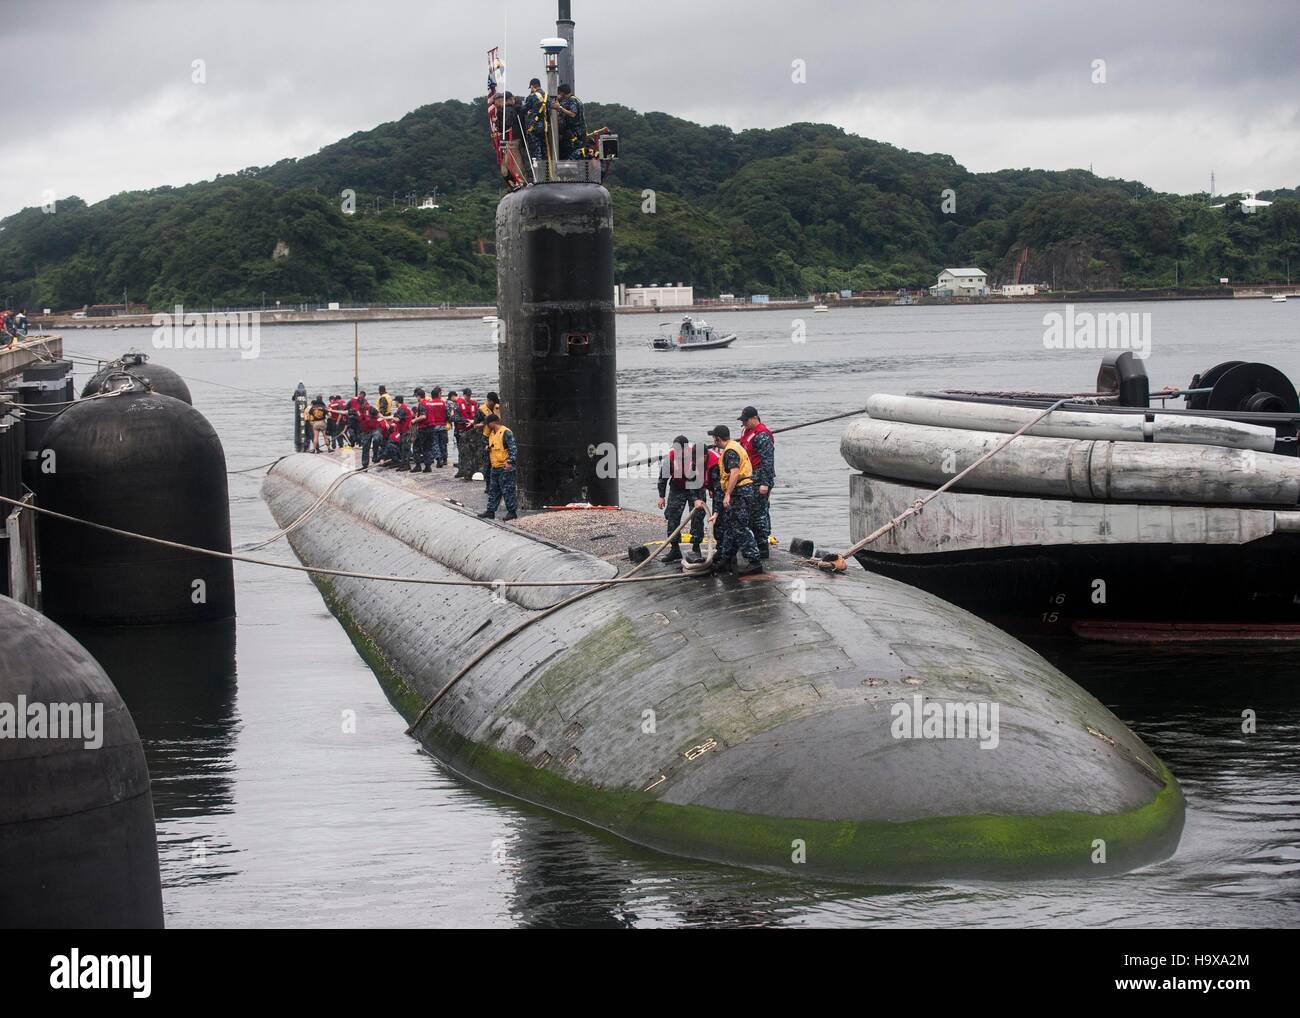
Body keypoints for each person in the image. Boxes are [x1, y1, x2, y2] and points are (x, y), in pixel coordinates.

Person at [707, 424, 762, 575]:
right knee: (730, 526)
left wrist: (727, 494)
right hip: (739, 492)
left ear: (718, 438)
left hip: (739, 492)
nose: (713, 441)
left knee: (739, 527)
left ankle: (754, 560)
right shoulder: (734, 446)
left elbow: (735, 473)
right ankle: (726, 558)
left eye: (714, 438)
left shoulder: (730, 451)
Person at [657, 435, 707, 563]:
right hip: (678, 488)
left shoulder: (694, 456)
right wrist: (661, 496)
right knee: (672, 516)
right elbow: (663, 477)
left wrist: (701, 497)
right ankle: (675, 549)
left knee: (697, 516)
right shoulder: (671, 457)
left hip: (695, 487)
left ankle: (696, 547)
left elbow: (701, 478)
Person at [737, 406, 776, 558]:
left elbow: (768, 461)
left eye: (746, 421)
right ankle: (752, 543)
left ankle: (762, 545)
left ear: (755, 418)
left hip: (760, 478)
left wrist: (765, 483)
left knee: (759, 513)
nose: (744, 424)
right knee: (749, 511)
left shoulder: (762, 435)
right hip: (748, 478)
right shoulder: (747, 432)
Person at [477, 414, 518, 521]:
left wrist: (510, 462)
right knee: (493, 490)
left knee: (508, 490)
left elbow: (513, 448)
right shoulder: (492, 434)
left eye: (488, 424)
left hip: (505, 467)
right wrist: (488, 448)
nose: (488, 426)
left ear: (493, 422)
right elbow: (496, 447)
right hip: (495, 467)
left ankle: (512, 512)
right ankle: (490, 511)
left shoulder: (506, 432)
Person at [473, 392, 501, 492]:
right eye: (491, 402)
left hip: (499, 437)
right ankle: (488, 486)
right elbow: (475, 424)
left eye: (494, 403)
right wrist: (483, 424)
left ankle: (498, 485)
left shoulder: (499, 407)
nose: (492, 404)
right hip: (486, 438)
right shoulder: (481, 410)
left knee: (499, 462)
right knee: (488, 463)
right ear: (488, 400)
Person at [553, 84, 585, 160]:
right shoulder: (575, 99)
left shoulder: (572, 100)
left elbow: (573, 114)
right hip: (578, 133)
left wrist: (559, 107)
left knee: (569, 157)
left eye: (559, 93)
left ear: (562, 93)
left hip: (574, 134)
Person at [422, 387, 450, 468]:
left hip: (433, 427)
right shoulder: (443, 403)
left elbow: (426, 416)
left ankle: (438, 459)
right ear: (438, 395)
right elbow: (448, 415)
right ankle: (444, 458)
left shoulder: (429, 404)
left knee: (435, 443)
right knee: (443, 443)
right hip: (443, 426)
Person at [521, 78, 547, 160]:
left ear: (533, 86)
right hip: (545, 127)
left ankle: (538, 170)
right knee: (544, 150)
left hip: (534, 127)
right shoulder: (546, 95)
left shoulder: (532, 96)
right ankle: (546, 170)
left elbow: (524, 109)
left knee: (535, 152)